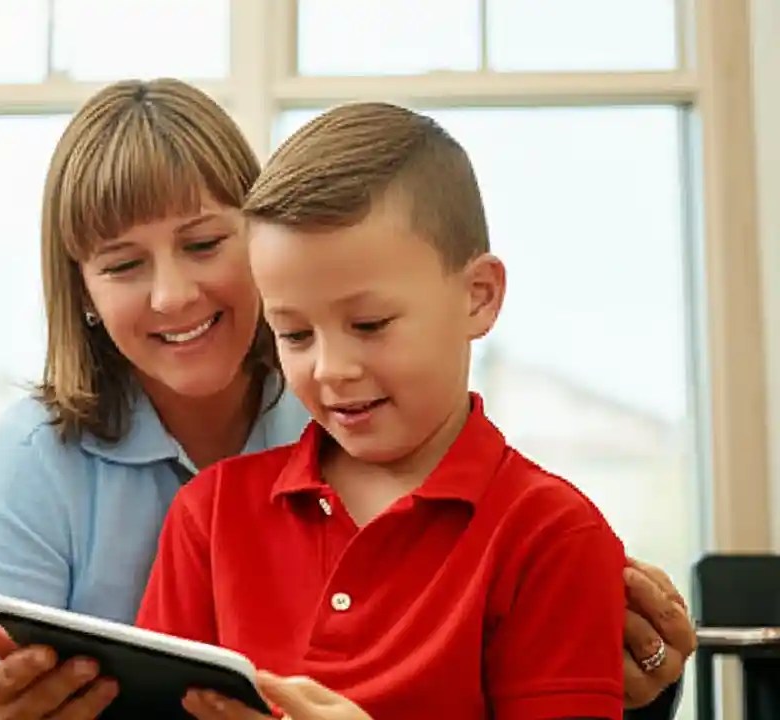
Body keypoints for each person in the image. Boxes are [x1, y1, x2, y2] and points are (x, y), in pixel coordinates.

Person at [0, 78, 695, 720]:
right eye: (123, 265)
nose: (333, 371)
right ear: (82, 290)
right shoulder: (197, 513)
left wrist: (636, 669)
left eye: (202, 244)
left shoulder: (543, 527)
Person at [135, 100, 640, 719]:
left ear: (478, 298)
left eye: (369, 324)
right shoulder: (209, 518)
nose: (330, 368)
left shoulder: (553, 537)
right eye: (294, 335)